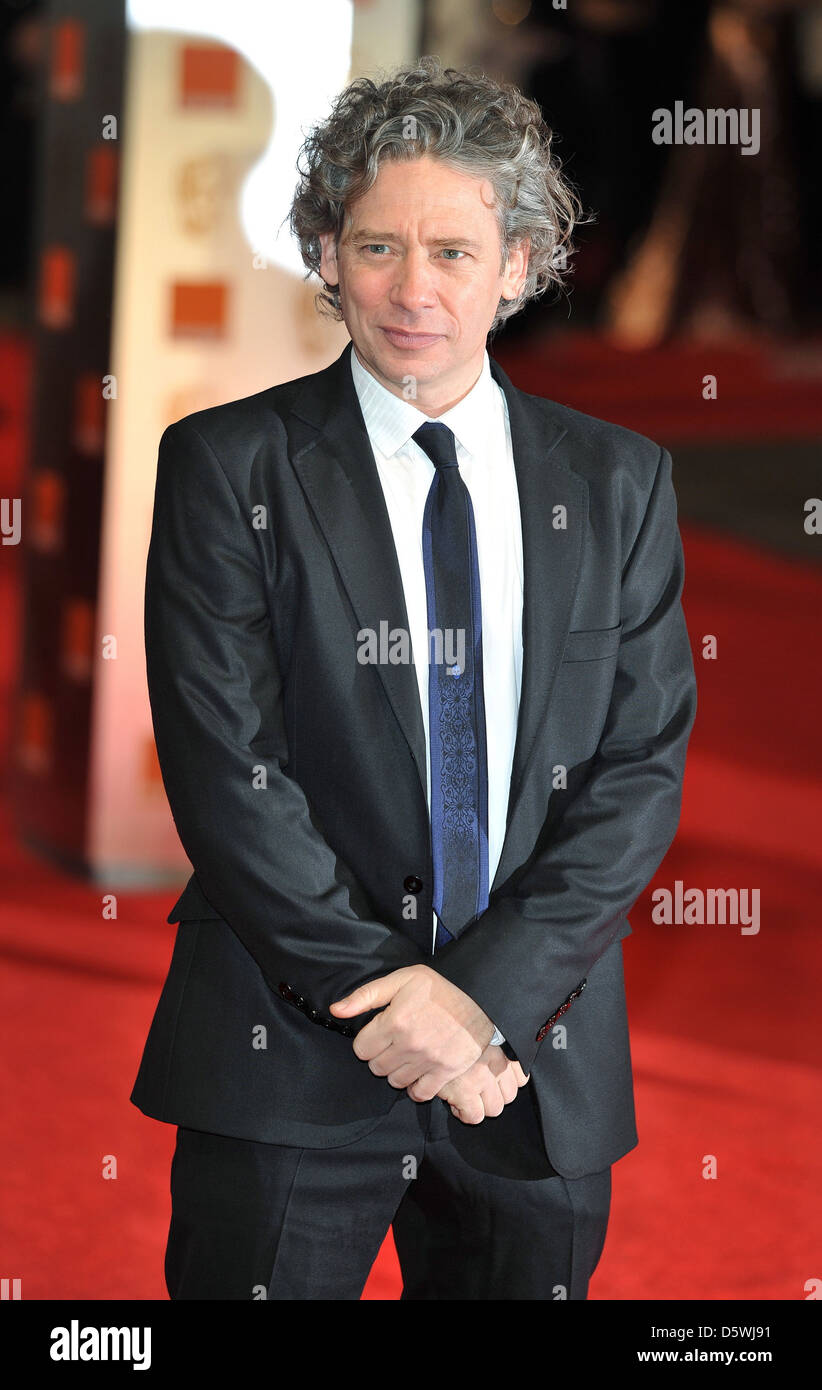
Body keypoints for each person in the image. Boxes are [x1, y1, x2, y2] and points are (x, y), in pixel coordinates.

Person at [130, 56, 697, 1301]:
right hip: (290, 1049)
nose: (412, 289)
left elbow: (637, 774)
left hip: (527, 1064)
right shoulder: (231, 467)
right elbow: (229, 767)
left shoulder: (617, 482)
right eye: (376, 245)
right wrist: (391, 1007)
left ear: (521, 263)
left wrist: (477, 1006)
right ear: (325, 255)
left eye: (452, 251)